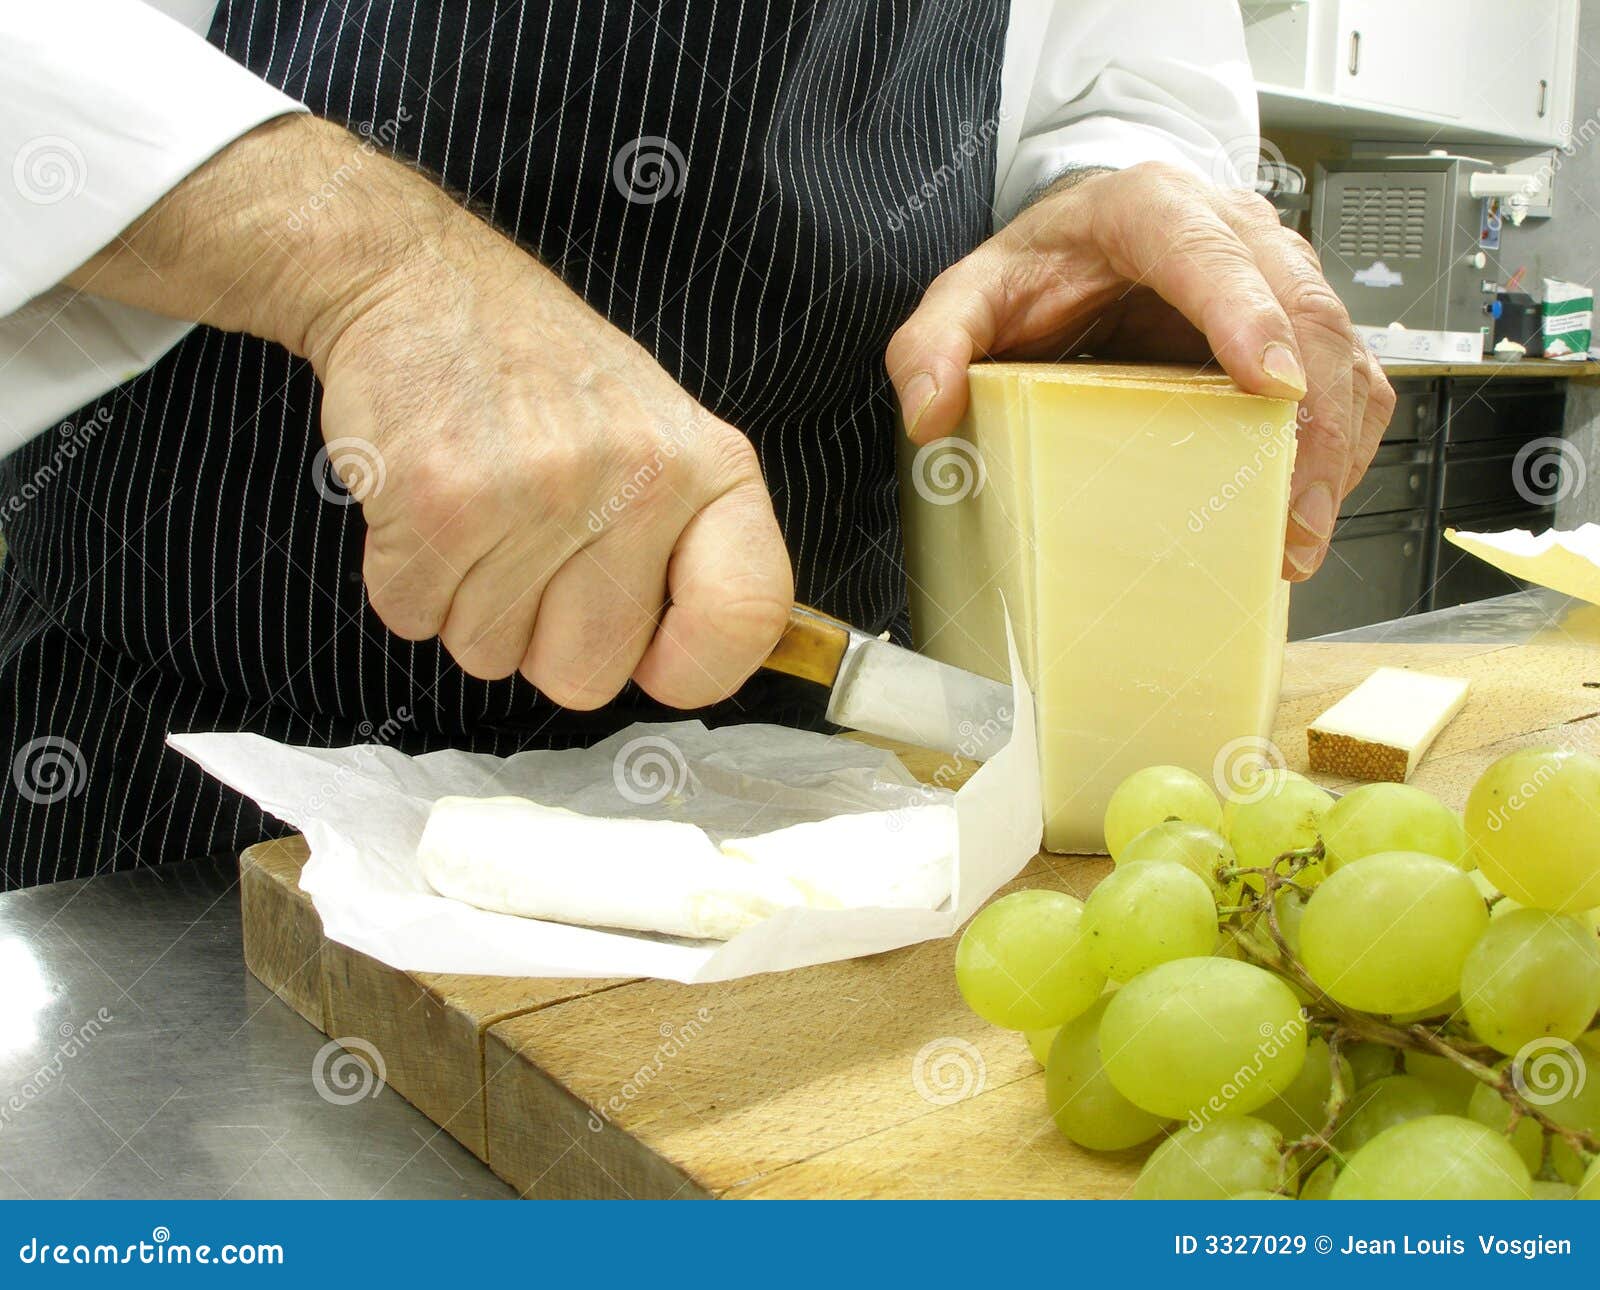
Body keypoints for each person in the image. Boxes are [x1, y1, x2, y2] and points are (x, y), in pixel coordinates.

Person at [0, 1, 1392, 888]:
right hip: (178, 792)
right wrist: (372, 267)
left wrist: (1113, 199)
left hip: (816, 806)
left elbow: (1123, 78)